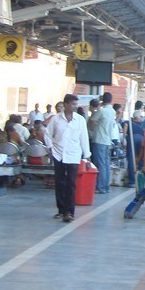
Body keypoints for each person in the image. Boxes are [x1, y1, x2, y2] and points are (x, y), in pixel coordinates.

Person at [44, 93, 91, 222]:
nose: (75, 106)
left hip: (73, 155)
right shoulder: (56, 119)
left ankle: (69, 212)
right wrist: (50, 148)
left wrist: (87, 157)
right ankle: (61, 209)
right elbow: (47, 134)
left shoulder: (80, 120)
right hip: (58, 154)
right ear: (65, 104)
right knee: (59, 183)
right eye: (73, 104)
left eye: (76, 104)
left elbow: (84, 138)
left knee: (71, 183)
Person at [87, 92, 116, 194]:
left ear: (103, 100)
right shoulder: (112, 111)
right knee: (106, 164)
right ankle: (106, 186)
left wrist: (97, 108)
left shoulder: (101, 111)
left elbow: (91, 120)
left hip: (99, 139)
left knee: (100, 164)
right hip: (108, 140)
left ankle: (100, 187)